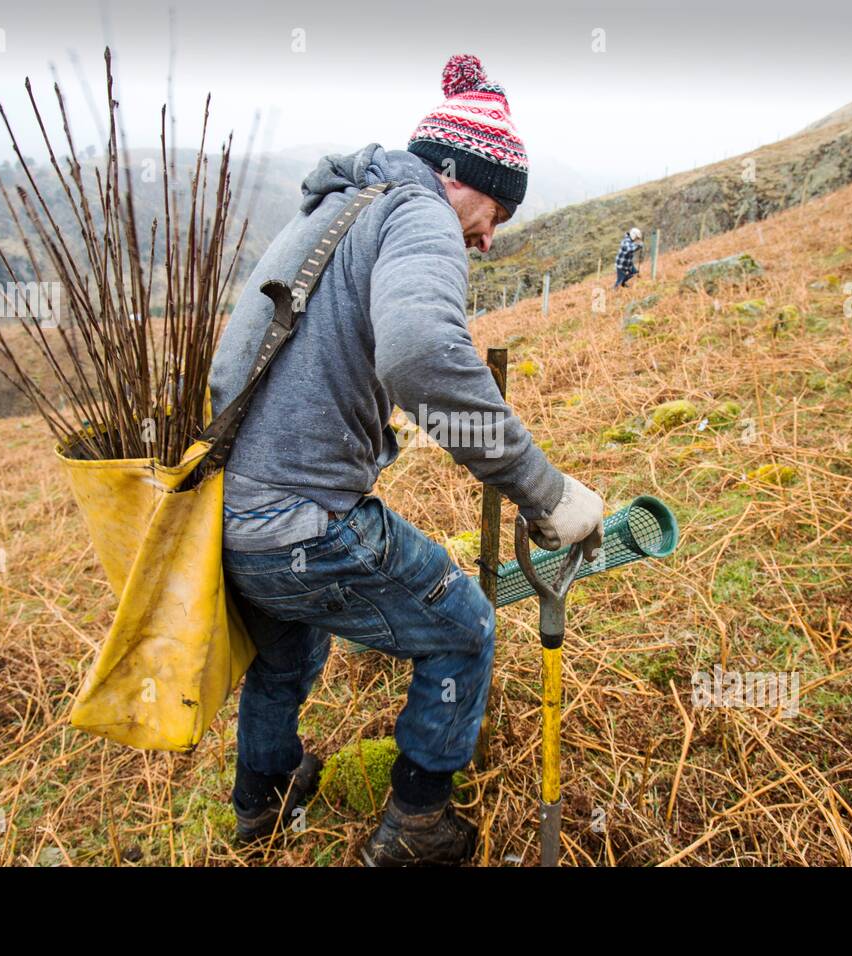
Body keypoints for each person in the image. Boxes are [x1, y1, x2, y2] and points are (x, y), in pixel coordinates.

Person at [207, 53, 604, 866]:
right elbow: (422, 357)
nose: (490, 239)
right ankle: (417, 822)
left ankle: (265, 801)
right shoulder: (419, 214)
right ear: (461, 177)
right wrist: (544, 492)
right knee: (462, 626)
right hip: (302, 520)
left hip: (230, 514)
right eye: (496, 210)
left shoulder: (333, 210)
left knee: (287, 648)